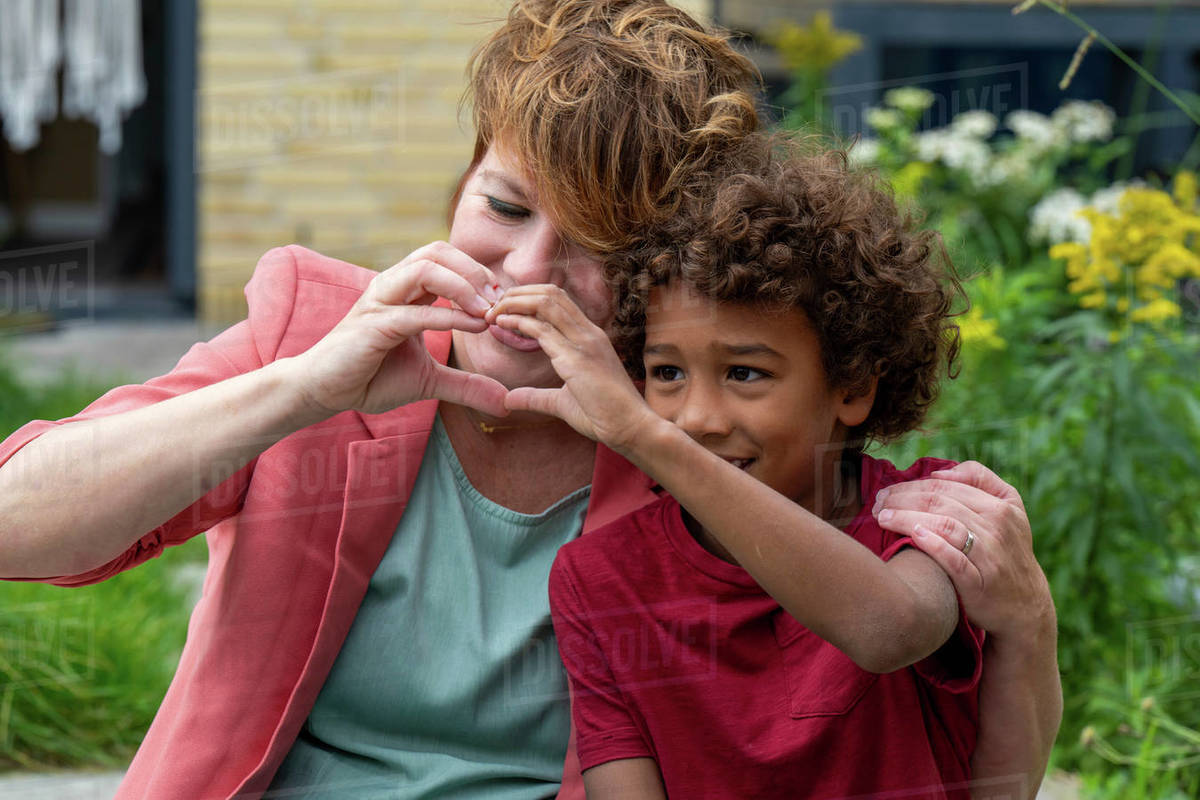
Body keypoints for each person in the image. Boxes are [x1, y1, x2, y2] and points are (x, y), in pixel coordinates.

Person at [0, 2, 1058, 799]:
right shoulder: (316, 326)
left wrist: (1022, 616)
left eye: (600, 249)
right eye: (503, 206)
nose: (526, 273)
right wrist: (299, 389)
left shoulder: (699, 442)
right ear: (463, 178)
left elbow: (898, 678)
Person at [485, 134, 1061, 799]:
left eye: (744, 372)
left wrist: (645, 435)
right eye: (666, 372)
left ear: (852, 385)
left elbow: (887, 628)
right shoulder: (600, 581)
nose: (696, 416)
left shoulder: (919, 517)